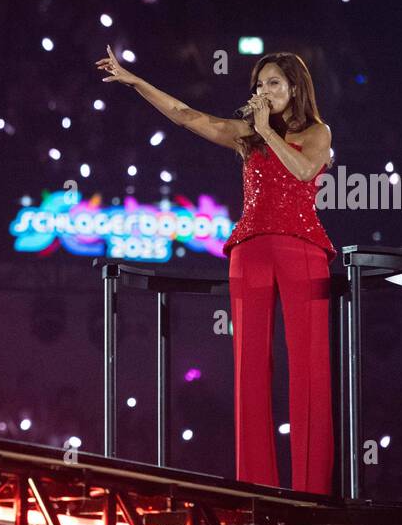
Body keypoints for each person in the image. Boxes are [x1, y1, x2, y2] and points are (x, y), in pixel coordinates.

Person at [96, 47, 334, 494]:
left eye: (274, 84)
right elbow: (186, 115)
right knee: (249, 368)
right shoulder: (248, 134)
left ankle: (311, 492)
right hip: (250, 248)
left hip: (302, 247)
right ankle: (256, 488)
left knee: (309, 366)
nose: (264, 92)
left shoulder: (317, 132)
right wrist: (134, 81)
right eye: (260, 85)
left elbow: (304, 171)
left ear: (295, 88)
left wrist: (267, 130)